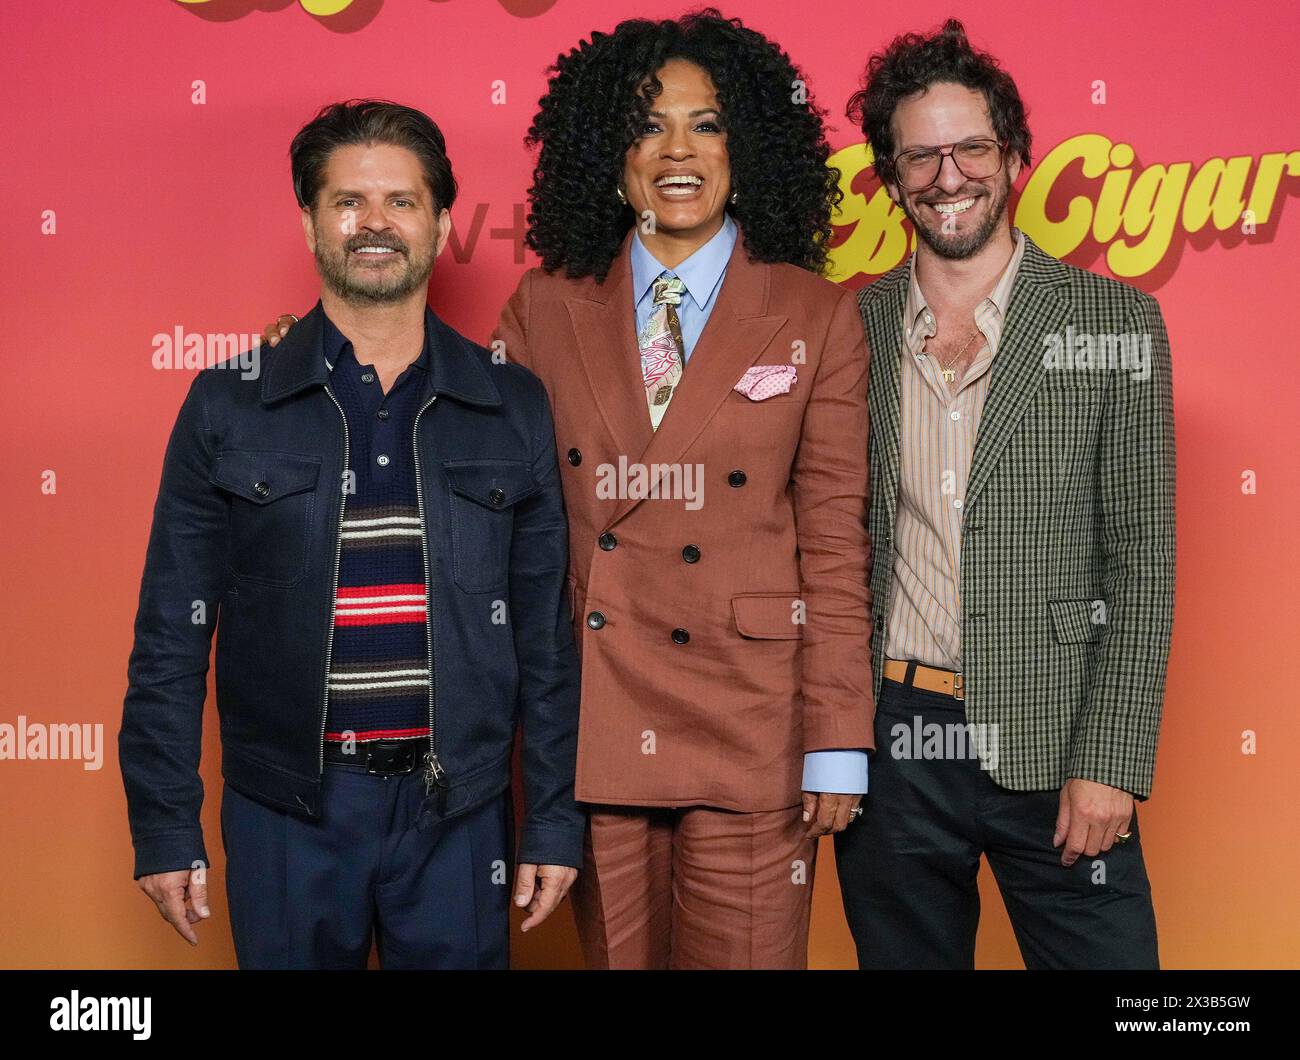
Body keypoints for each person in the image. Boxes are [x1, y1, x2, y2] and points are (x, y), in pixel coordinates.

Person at [267, 9, 875, 969]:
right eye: (647, 125)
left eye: (707, 124)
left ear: (746, 145)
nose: (677, 150)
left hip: (755, 718)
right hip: (602, 712)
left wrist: (840, 738)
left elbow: (837, 543)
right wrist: (303, 375)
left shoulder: (816, 312)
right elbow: (463, 456)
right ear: (612, 154)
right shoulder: (546, 305)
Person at [120, 99, 582, 969]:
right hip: (287, 809)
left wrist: (553, 818)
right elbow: (169, 637)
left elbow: (548, 643)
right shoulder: (229, 402)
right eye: (348, 201)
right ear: (309, 221)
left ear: (443, 221)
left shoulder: (510, 404)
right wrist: (164, 821)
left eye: (402, 201)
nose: (375, 223)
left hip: (461, 812)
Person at [835, 19, 1175, 969]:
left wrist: (1109, 761)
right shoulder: (846, 329)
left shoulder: (1114, 321)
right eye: (921, 156)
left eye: (972, 148)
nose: (950, 176)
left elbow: (1143, 564)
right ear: (892, 177)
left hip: (1057, 734)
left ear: (1014, 157)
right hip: (893, 744)